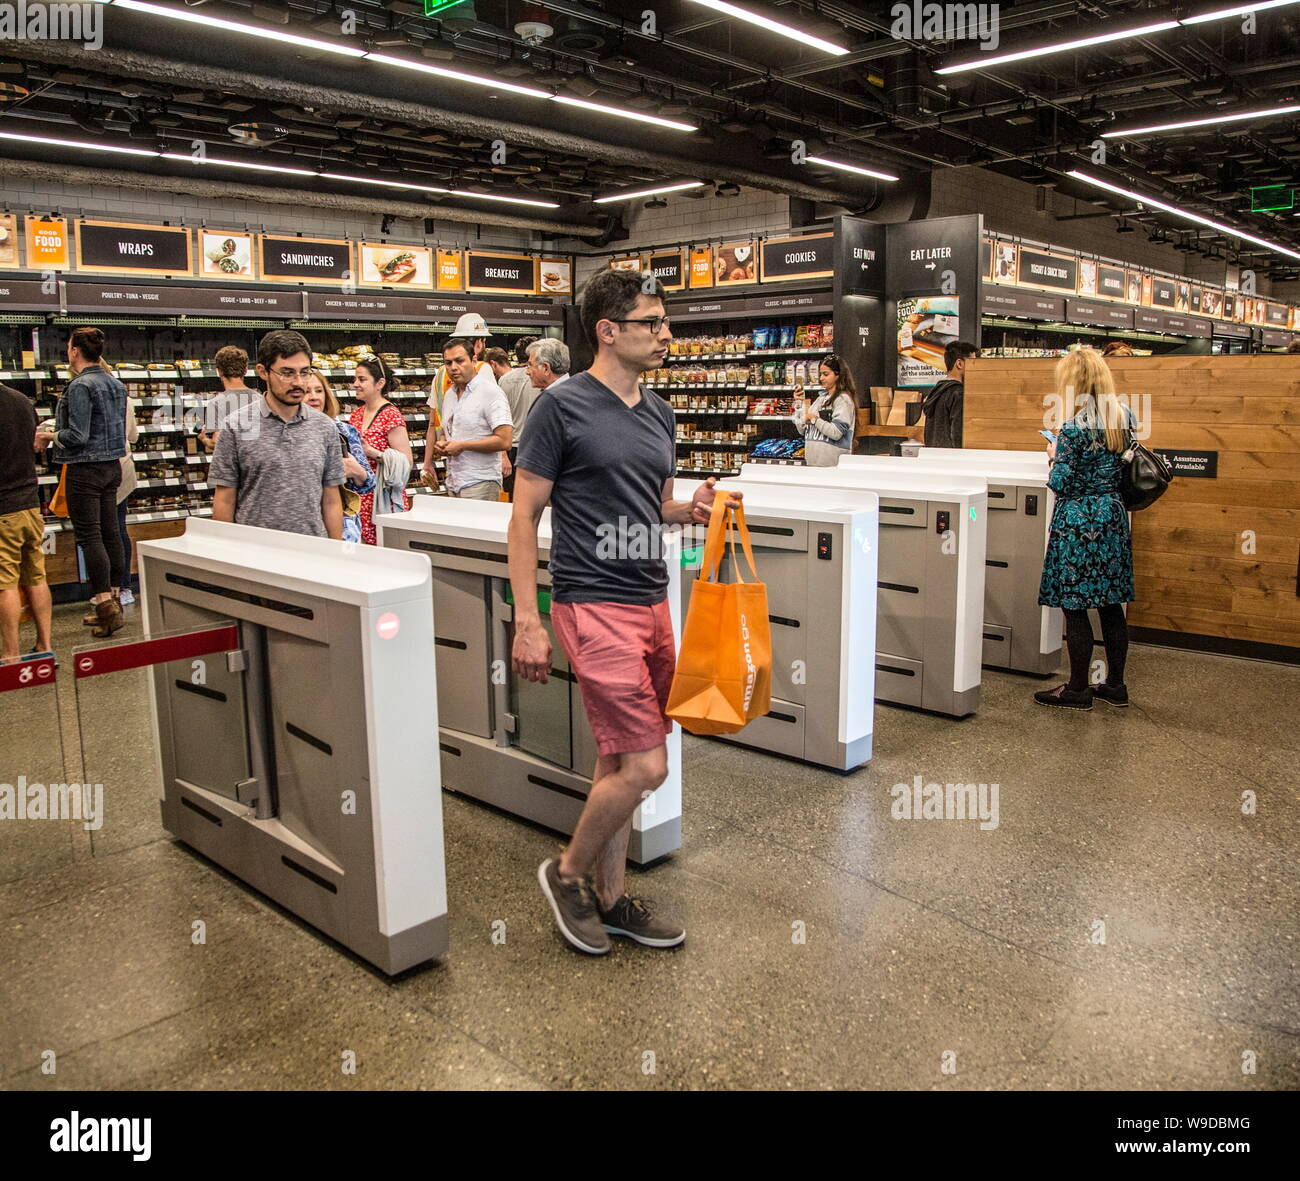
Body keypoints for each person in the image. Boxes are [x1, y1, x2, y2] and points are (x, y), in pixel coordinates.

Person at [510, 269, 736, 956]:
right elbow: (523, 517)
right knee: (648, 767)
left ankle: (609, 903)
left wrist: (687, 511)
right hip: (590, 600)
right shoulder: (561, 407)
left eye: (667, 322)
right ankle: (567, 871)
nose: (667, 334)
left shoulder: (661, 411)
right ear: (608, 330)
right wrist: (529, 617)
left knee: (618, 758)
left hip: (651, 597)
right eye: (653, 322)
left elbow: (650, 507)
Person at [1035, 348, 1134, 711]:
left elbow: (1060, 481)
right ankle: (1115, 685)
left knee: (1074, 606)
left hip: (1077, 521)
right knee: (1111, 606)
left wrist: (1052, 454)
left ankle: (1078, 688)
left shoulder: (1073, 430)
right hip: (1111, 517)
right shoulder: (1123, 418)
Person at [33, 327, 127, 638]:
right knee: (111, 531)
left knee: (90, 536)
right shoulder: (115, 384)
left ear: (74, 351)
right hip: (112, 467)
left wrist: (50, 435)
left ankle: (103, 605)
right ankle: (115, 598)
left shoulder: (80, 386)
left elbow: (78, 436)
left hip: (85, 470)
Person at [209, 330, 344, 539]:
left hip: (313, 553)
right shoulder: (235, 426)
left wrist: (337, 552)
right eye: (287, 373)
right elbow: (225, 500)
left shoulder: (325, 427)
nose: (299, 382)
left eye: (305, 372)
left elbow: (331, 500)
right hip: (255, 554)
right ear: (263, 372)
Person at [0, 382, 52, 661]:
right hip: (30, 505)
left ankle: (11, 654)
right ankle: (45, 646)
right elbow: (34, 444)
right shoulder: (21, 400)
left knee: (5, 584)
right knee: (36, 576)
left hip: (3, 509)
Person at [433, 338, 512, 501]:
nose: (454, 367)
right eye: (448, 363)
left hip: (480, 481)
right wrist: (442, 442)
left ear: (474, 360)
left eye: (459, 361)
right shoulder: (449, 395)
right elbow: (447, 432)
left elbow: (505, 440)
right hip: (453, 481)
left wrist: (462, 446)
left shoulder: (490, 392)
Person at [303, 369, 375, 545]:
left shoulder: (344, 431)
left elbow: (369, 483)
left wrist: (356, 470)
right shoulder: (290, 433)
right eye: (307, 391)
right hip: (304, 522)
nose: (313, 397)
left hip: (343, 524)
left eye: (319, 391)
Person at [424, 312, 493, 485]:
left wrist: (427, 463)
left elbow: (433, 423)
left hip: (453, 465)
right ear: (479, 342)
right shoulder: (483, 369)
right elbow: (493, 420)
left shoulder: (440, 374)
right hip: (479, 467)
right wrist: (503, 457)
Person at [348, 356, 411, 543]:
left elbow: (406, 461)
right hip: (359, 496)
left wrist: (373, 452)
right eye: (355, 379)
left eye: (362, 379)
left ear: (380, 383)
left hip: (382, 497)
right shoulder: (356, 414)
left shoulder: (391, 415)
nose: (355, 384)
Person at [790, 353, 858, 467]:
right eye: (820, 374)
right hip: (813, 466)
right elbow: (801, 429)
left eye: (826, 374)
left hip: (833, 468)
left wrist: (814, 419)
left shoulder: (843, 400)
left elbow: (836, 433)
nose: (821, 378)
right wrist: (799, 404)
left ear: (838, 375)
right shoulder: (819, 399)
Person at [484, 346, 535, 497]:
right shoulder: (538, 379)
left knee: (514, 496)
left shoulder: (503, 381)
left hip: (510, 447)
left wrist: (502, 455)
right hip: (532, 447)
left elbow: (496, 418)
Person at [199, 345, 258, 453]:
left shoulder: (216, 403)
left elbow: (217, 443)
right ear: (245, 370)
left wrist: (204, 439)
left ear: (219, 371)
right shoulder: (261, 399)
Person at [920, 340, 978, 449]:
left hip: (935, 458)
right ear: (959, 364)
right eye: (972, 362)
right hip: (952, 460)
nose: (975, 368)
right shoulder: (958, 393)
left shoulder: (936, 391)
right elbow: (958, 435)